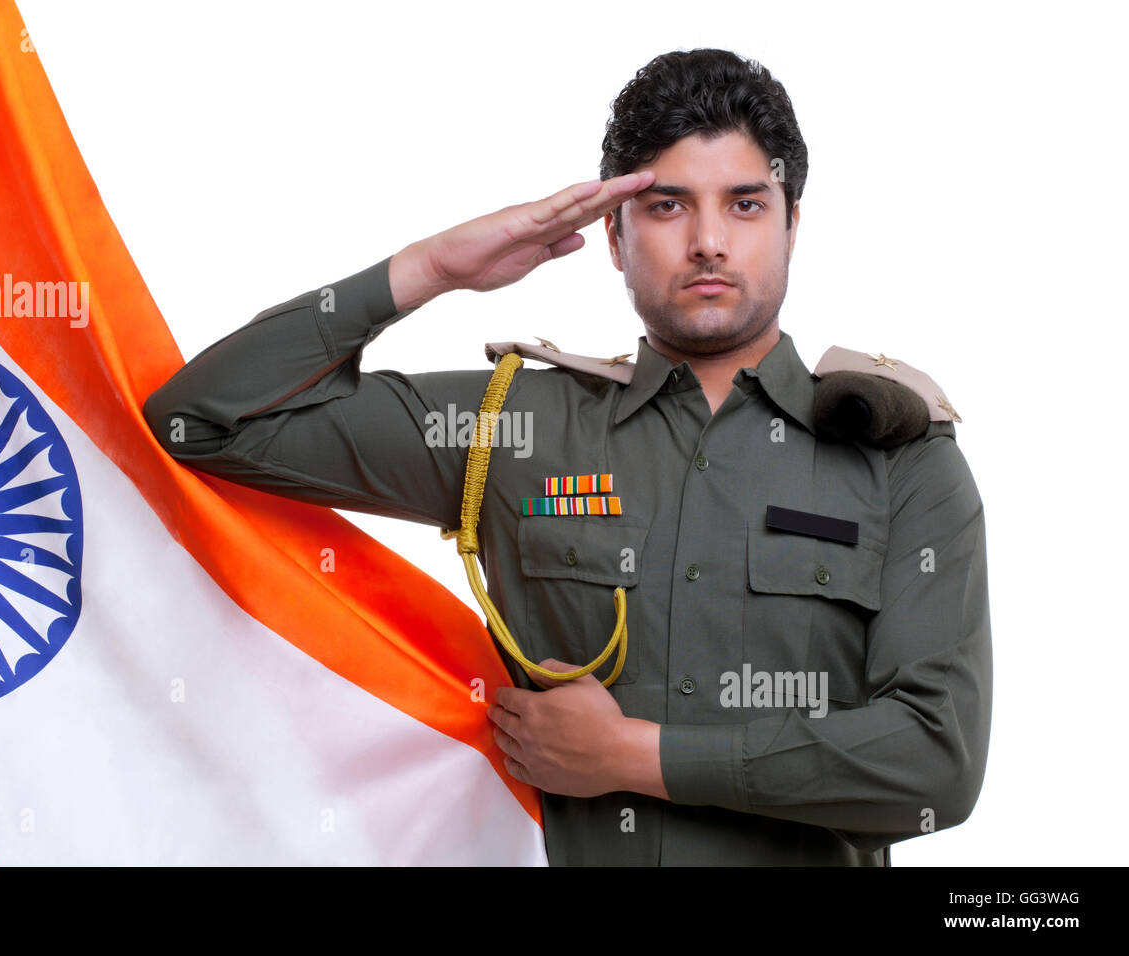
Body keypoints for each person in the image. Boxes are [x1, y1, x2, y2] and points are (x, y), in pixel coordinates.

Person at [142, 48, 991, 866]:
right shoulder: (512, 428)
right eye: (665, 206)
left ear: (792, 223)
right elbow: (204, 423)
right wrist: (431, 268)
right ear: (614, 237)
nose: (707, 242)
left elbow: (934, 763)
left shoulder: (901, 460)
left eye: (744, 204)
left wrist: (632, 756)